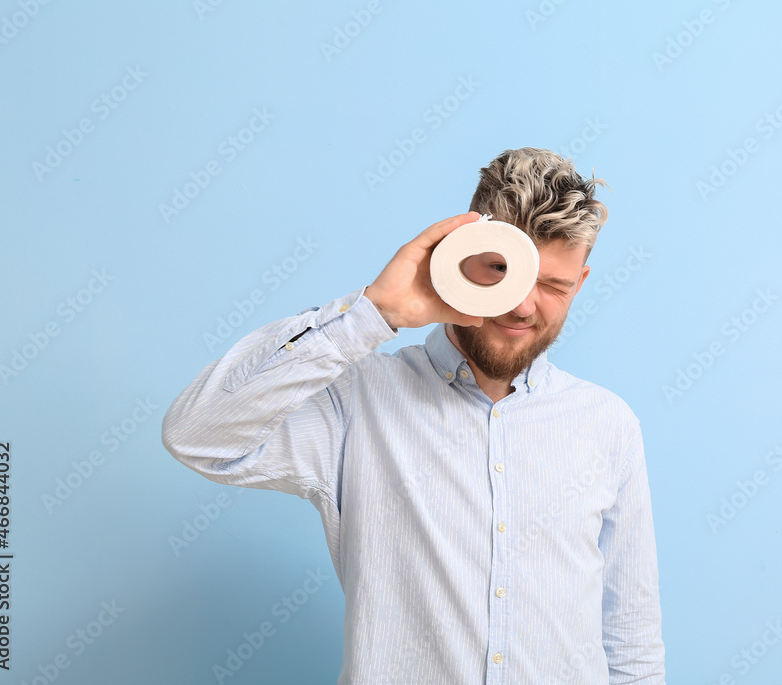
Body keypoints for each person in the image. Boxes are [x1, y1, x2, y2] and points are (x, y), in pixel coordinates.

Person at [162, 147, 666, 683]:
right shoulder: (356, 402)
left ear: (581, 283)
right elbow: (199, 436)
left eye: (553, 287)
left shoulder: (607, 424)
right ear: (459, 255)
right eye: (506, 274)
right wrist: (373, 314)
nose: (523, 307)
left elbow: (629, 635)